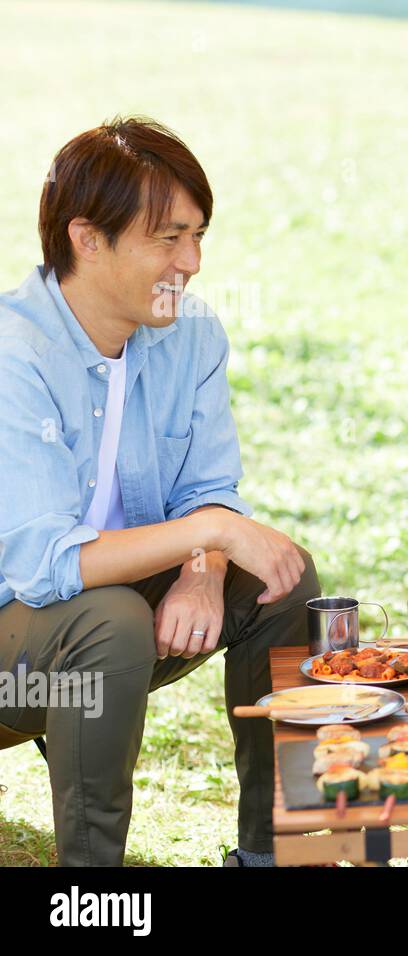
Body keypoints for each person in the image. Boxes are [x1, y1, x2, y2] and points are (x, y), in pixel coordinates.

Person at [0, 116, 319, 866]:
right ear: (87, 238)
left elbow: (209, 491)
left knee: (283, 574)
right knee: (107, 619)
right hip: (21, 642)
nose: (194, 262)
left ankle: (272, 854)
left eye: (199, 235)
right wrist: (208, 538)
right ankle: (93, 892)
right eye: (168, 238)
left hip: (113, 628)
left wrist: (204, 573)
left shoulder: (191, 334)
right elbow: (47, 563)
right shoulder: (15, 355)